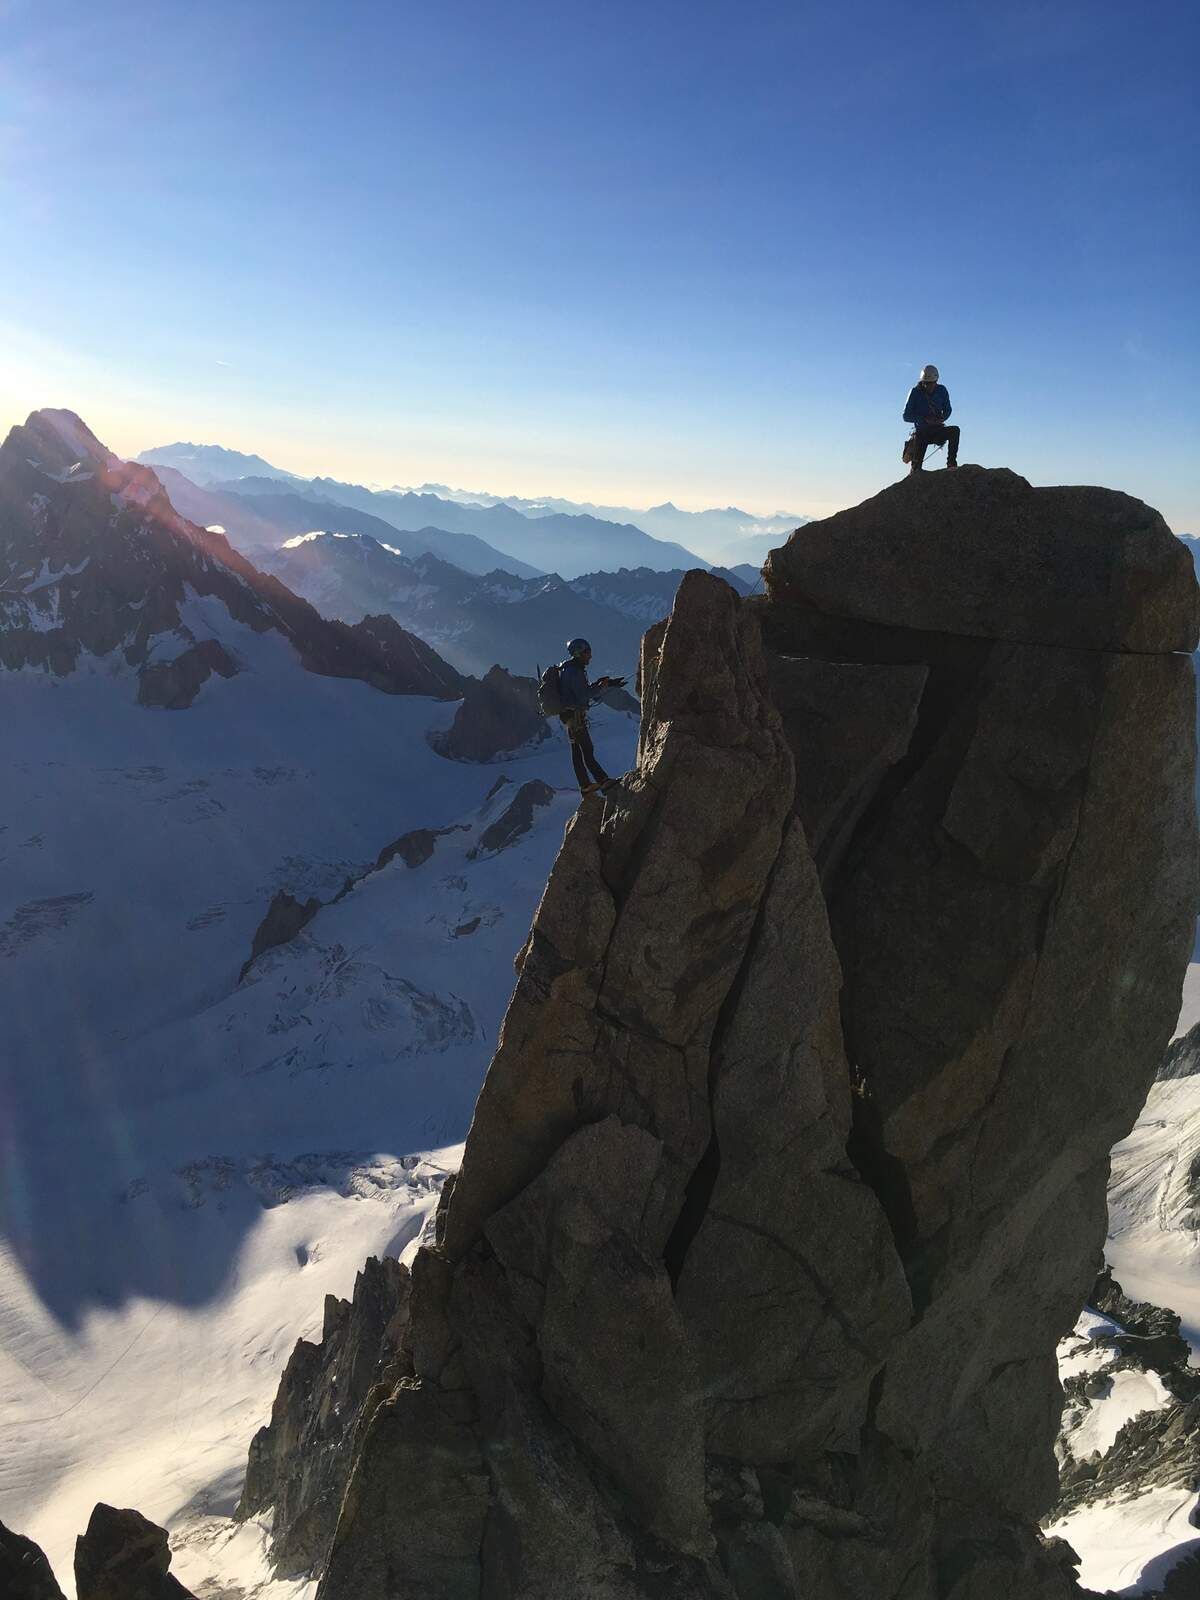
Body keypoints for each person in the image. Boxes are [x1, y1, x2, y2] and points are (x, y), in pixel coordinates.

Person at [558, 637, 621, 797]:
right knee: (587, 749)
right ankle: (603, 781)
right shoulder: (575, 671)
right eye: (587, 652)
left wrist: (605, 684)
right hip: (576, 717)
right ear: (579, 653)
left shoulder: (567, 670)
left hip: (568, 716)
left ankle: (585, 785)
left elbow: (579, 691)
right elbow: (584, 695)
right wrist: (602, 686)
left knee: (577, 751)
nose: (590, 656)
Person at [903, 364, 960, 472]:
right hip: (922, 433)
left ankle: (951, 463)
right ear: (922, 382)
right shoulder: (915, 393)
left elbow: (948, 409)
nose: (929, 386)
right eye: (927, 383)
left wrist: (942, 418)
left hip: (937, 430)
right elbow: (906, 416)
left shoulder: (942, 390)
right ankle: (916, 468)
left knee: (955, 431)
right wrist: (924, 419)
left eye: (932, 383)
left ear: (936, 381)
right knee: (916, 469)